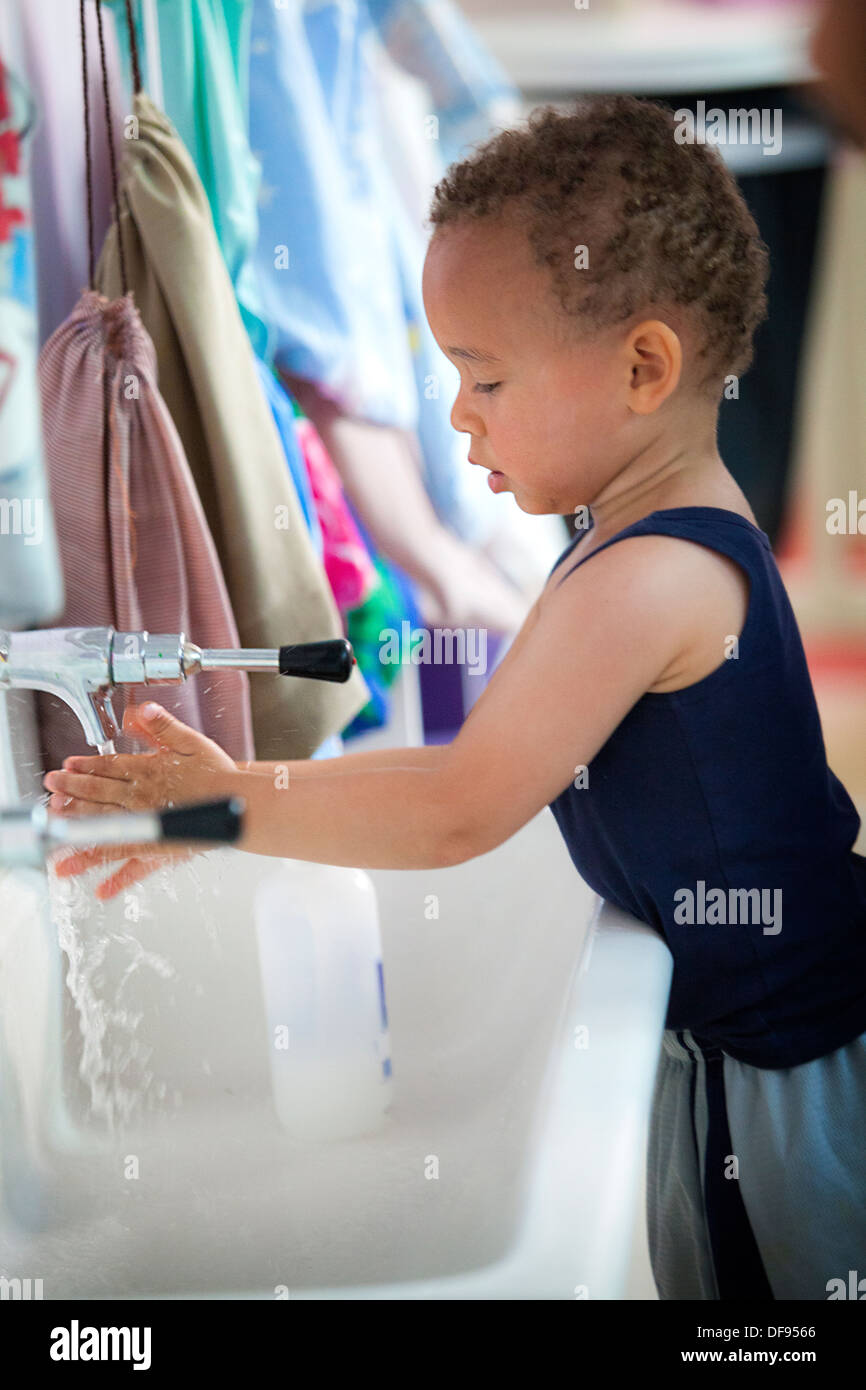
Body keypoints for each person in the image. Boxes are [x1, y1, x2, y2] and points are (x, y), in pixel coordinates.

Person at [43, 96, 866, 1301]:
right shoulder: (627, 530)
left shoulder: (652, 574)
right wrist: (228, 790)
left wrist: (223, 812)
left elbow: (455, 809)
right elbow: (470, 767)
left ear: (643, 367)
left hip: (784, 1069)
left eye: (483, 377)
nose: (458, 412)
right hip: (750, 1039)